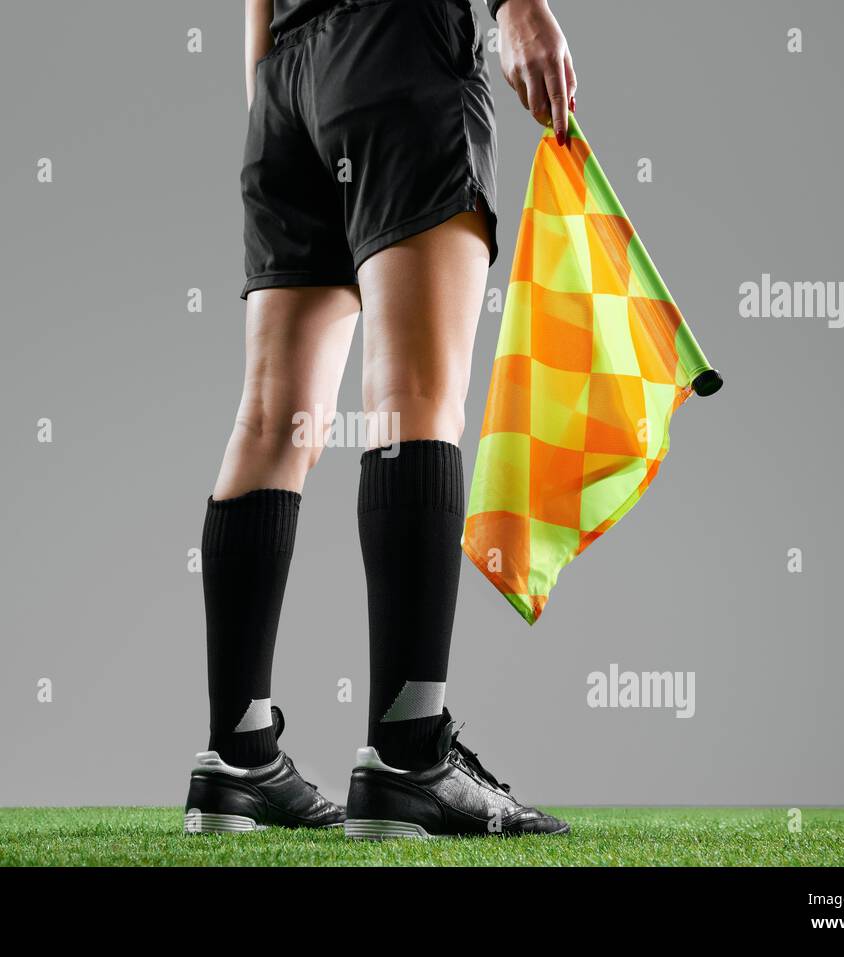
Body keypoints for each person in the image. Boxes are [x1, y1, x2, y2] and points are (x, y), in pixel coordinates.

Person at [184, 0, 578, 838]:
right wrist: (520, 7)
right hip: (395, 44)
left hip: (284, 78)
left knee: (269, 418)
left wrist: (273, 100)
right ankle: (409, 757)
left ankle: (237, 759)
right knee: (414, 397)